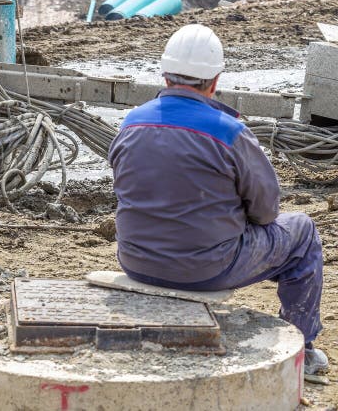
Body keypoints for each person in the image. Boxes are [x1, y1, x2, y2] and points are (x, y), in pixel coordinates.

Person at [108, 24, 327, 374]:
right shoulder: (231, 132)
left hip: (136, 261)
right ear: (214, 82)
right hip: (208, 268)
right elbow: (268, 212)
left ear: (165, 77)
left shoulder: (130, 123)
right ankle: (304, 354)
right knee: (301, 233)